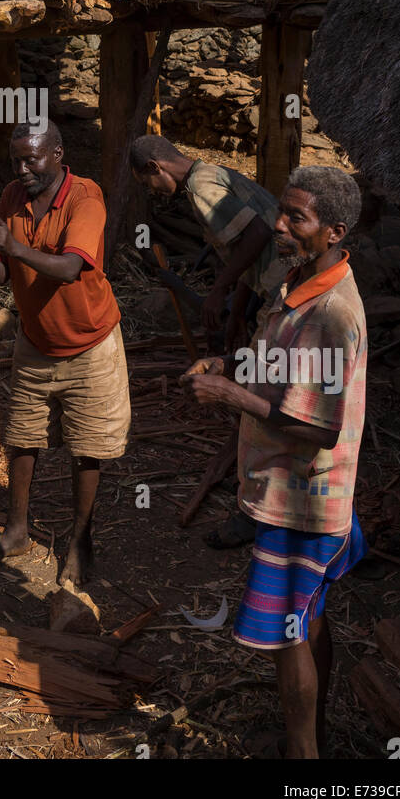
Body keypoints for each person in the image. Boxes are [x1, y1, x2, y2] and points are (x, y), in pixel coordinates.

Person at [181, 165, 367, 759]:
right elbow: (285, 382)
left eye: (296, 218)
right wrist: (233, 371)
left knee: (290, 633)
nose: (279, 224)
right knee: (308, 617)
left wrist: (231, 396)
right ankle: (310, 739)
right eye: (281, 212)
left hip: (303, 498)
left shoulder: (331, 314)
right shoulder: (299, 285)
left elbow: (318, 425)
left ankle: (303, 759)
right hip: (293, 492)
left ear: (334, 231)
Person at [0, 120, 129, 587]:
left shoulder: (86, 198)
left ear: (57, 155)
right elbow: (3, 271)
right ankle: (17, 528)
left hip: (90, 342)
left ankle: (80, 540)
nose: (22, 169)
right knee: (23, 436)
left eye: (31, 159)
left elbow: (70, 266)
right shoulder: (14, 196)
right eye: (16, 159)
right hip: (36, 339)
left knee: (87, 446)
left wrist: (14, 246)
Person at [131, 134, 284, 549]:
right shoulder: (212, 172)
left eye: (149, 184)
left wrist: (219, 291)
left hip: (285, 297)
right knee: (266, 387)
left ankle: (257, 511)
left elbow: (256, 234)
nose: (154, 192)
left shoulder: (201, 189)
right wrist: (237, 311)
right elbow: (255, 243)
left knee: (261, 399)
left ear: (155, 168)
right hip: (277, 289)